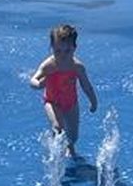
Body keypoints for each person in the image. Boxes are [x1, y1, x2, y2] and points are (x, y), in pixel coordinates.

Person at [29, 24, 98, 157]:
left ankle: (70, 150)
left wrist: (93, 102)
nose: (63, 55)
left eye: (68, 51)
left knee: (73, 136)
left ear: (75, 48)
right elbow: (33, 80)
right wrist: (38, 85)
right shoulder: (49, 65)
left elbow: (86, 86)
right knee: (58, 128)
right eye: (58, 51)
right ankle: (55, 153)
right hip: (51, 101)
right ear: (52, 49)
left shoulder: (77, 67)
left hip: (71, 103)